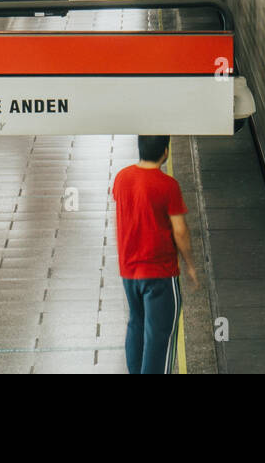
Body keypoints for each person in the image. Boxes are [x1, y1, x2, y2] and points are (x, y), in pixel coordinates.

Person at [112, 134, 200, 374]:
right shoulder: (167, 185)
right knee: (161, 335)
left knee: (137, 324)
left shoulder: (121, 178)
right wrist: (190, 264)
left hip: (129, 272)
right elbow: (180, 230)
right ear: (165, 152)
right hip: (160, 273)